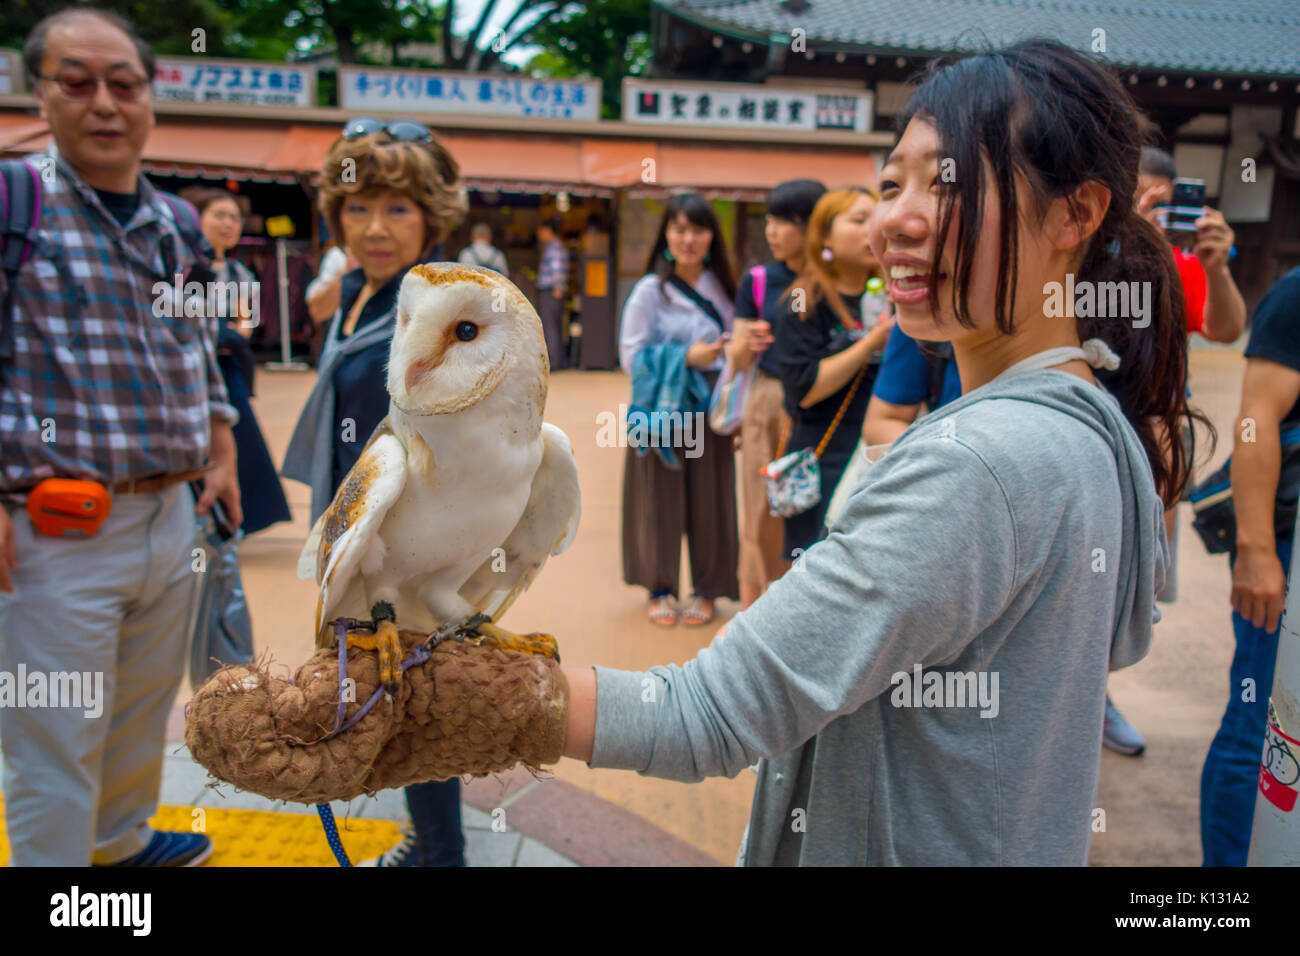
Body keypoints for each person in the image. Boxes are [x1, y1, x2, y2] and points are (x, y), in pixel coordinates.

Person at [556, 38, 1188, 865]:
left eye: (949, 181)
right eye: (891, 184)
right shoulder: (1098, 421)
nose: (896, 217)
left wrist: (473, 699)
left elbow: (704, 713)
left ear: (1076, 214)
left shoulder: (979, 465)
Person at [0, 7, 241, 866]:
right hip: (53, 530)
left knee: (142, 709)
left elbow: (196, 343)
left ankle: (120, 845)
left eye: (123, 84)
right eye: (77, 82)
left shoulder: (177, 222)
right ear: (42, 93)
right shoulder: (12, 202)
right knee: (55, 732)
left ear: (149, 97)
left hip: (171, 516)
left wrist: (219, 437)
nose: (103, 102)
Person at [281, 116, 469, 867]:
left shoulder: (444, 310)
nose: (375, 228)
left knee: (415, 700)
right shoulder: (358, 291)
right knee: (384, 693)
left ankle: (441, 852)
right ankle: (430, 841)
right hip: (352, 528)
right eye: (357, 208)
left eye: (398, 209)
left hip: (409, 548)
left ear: (431, 215)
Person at [1201, 265, 1300, 866]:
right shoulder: (1295, 295)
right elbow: (1254, 419)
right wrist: (1257, 553)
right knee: (1260, 722)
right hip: (1286, 552)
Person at [619, 192, 739, 627]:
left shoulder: (726, 287)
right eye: (680, 229)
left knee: (711, 501)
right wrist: (688, 357)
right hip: (660, 411)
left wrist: (729, 388)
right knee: (658, 499)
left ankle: (707, 590)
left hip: (710, 408)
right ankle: (660, 588)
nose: (688, 239)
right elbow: (631, 356)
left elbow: (737, 350)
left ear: (712, 236)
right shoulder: (651, 291)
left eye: (698, 229)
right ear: (667, 235)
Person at [771, 188, 893, 558]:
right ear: (825, 235)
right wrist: (872, 342)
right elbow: (804, 388)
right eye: (858, 220)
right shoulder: (802, 299)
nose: (872, 229)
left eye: (877, 219)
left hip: (880, 453)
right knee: (814, 563)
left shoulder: (897, 295)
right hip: (822, 456)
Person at [728, 178, 825, 607]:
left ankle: (799, 606)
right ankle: (752, 610)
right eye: (769, 221)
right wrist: (744, 345)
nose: (772, 231)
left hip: (817, 402)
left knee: (808, 507)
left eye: (784, 222)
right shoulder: (758, 280)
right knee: (757, 507)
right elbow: (735, 358)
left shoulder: (832, 279)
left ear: (812, 226)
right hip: (766, 399)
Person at [195, 189, 291, 535]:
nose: (227, 224)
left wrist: (236, 334)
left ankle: (241, 515)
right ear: (199, 219)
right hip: (195, 363)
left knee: (240, 435)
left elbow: (246, 319)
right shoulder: (189, 265)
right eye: (218, 215)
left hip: (228, 363)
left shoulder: (239, 273)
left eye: (233, 218)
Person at [536, 215, 569, 371]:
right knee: (554, 325)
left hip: (551, 291)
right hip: (552, 291)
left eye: (541, 231)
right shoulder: (554, 246)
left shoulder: (554, 247)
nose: (540, 234)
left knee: (550, 326)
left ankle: (554, 362)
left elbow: (557, 269)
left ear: (548, 231)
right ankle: (557, 360)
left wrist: (558, 288)